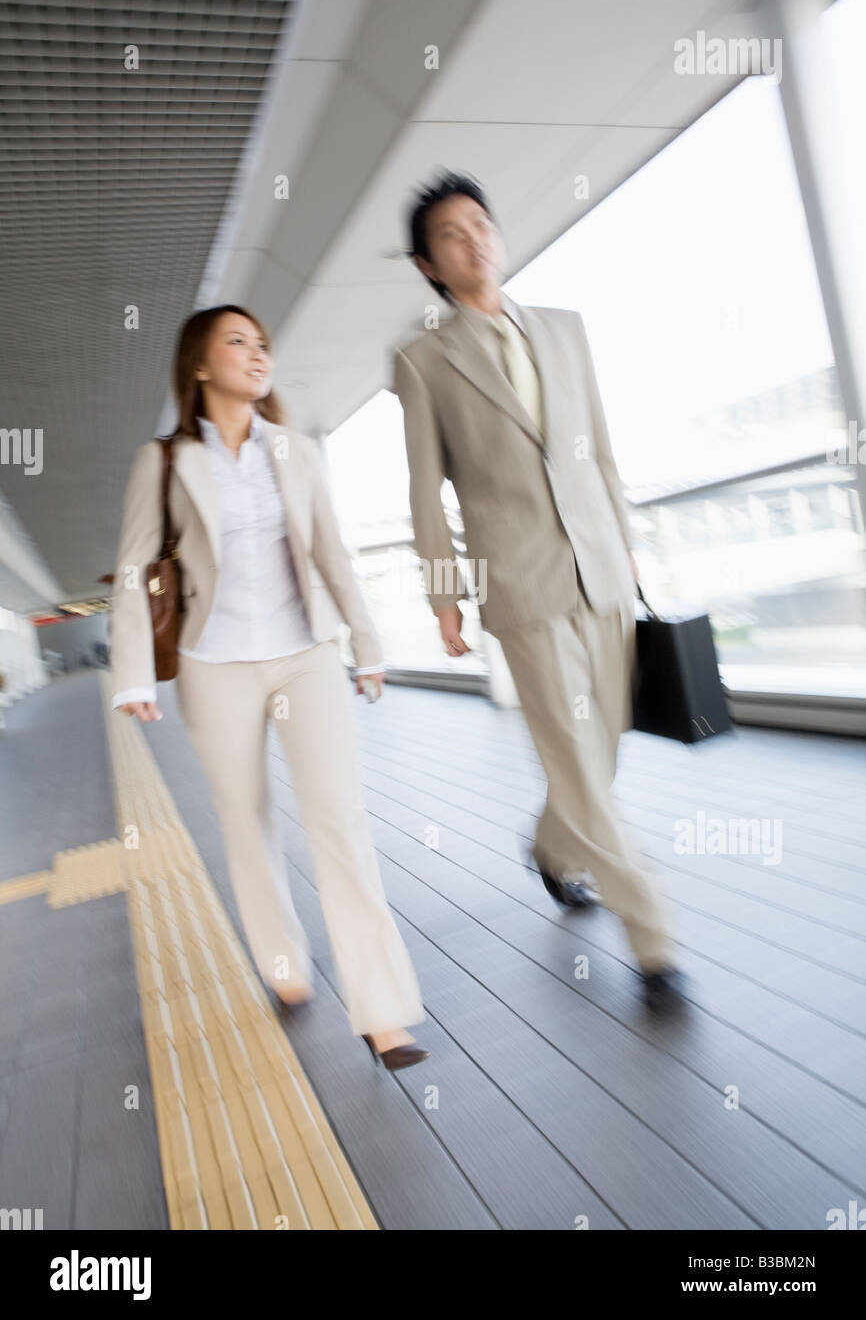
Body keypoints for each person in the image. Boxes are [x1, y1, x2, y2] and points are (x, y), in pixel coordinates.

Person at [391, 170, 686, 1011]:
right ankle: (656, 941)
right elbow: (425, 491)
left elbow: (600, 451)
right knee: (581, 764)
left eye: (481, 223)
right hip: (518, 582)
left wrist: (626, 549)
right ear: (428, 266)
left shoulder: (566, 330)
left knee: (603, 747)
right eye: (452, 234)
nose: (474, 240)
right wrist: (444, 595)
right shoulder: (423, 360)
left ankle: (555, 853)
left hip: (600, 571)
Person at [109, 303, 429, 1069]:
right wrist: (128, 676)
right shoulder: (165, 460)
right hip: (214, 664)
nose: (257, 355)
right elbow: (130, 568)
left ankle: (384, 1012)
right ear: (199, 364)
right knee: (246, 822)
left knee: (340, 821)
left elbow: (332, 552)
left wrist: (368, 644)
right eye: (237, 343)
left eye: (263, 344)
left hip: (304, 655)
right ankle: (283, 962)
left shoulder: (292, 450)